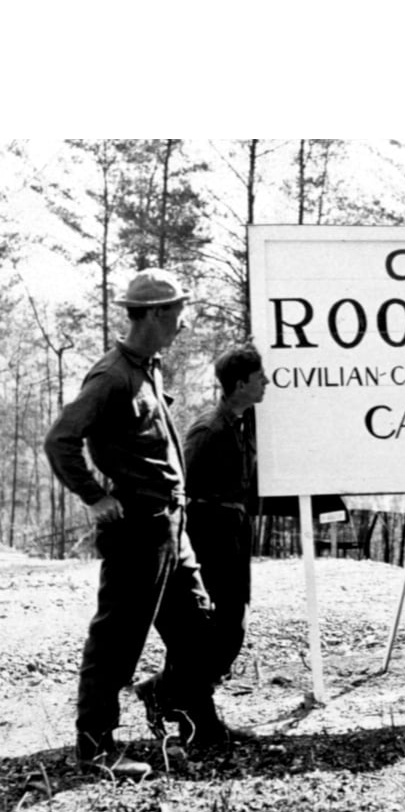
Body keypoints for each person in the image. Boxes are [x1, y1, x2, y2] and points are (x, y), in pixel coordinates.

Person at [44, 269, 216, 777]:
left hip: (170, 521)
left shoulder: (148, 368)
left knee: (196, 623)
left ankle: (182, 715)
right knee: (118, 637)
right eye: (178, 313)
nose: (183, 324)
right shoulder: (113, 375)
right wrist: (94, 497)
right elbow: (61, 440)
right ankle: (95, 747)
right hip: (138, 522)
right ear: (158, 313)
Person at [137, 346, 268, 734]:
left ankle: (161, 691)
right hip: (208, 531)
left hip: (233, 528)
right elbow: (180, 487)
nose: (266, 383)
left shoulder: (243, 424)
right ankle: (183, 705)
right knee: (212, 626)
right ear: (241, 383)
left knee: (232, 622)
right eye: (259, 377)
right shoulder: (208, 428)